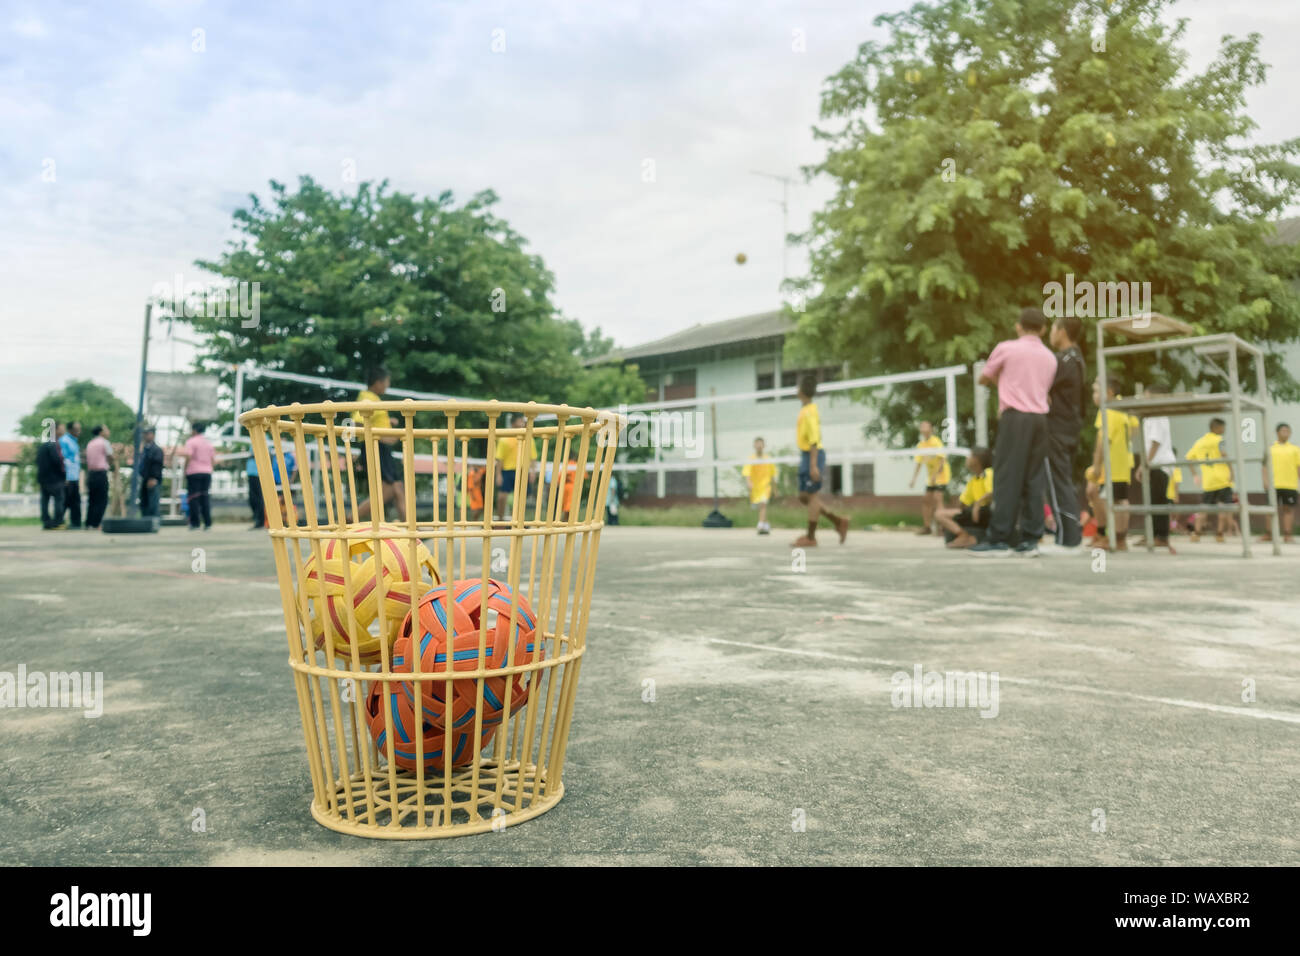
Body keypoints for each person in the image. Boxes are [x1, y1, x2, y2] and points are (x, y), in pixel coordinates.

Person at [969, 307, 1057, 556]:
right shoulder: (1050, 357)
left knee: (1007, 477)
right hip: (1040, 420)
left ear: (1018, 326)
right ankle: (1030, 540)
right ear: (1043, 329)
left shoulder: (1007, 348)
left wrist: (1005, 383)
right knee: (1033, 479)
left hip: (1015, 417)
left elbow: (984, 378)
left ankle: (999, 538)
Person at [1043, 316, 1086, 550]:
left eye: (1052, 328)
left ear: (1062, 331)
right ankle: (1070, 536)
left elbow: (1041, 388)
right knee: (1064, 479)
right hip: (1069, 426)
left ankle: (1067, 538)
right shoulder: (1077, 358)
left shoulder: (1063, 360)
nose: (1050, 333)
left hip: (1057, 427)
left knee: (1057, 480)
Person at [792, 375, 849, 548]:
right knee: (804, 497)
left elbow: (815, 440)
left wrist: (813, 465)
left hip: (812, 455)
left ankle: (811, 537)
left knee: (812, 496)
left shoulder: (810, 412)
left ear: (801, 391)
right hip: (806, 454)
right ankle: (838, 521)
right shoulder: (805, 408)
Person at [1085, 379, 1135, 551]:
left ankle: (1117, 538)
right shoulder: (1123, 407)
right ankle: (1110, 536)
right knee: (1111, 497)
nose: (1094, 396)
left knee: (1115, 500)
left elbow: (1104, 440)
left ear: (1110, 392)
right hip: (1120, 462)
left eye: (1097, 391)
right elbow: (1134, 428)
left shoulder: (1110, 409)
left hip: (1113, 464)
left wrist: (1097, 464)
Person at [355, 366, 405, 521]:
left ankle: (412, 527)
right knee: (389, 488)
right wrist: (383, 437)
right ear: (378, 383)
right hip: (376, 447)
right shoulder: (367, 399)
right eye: (386, 382)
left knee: (397, 487)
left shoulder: (372, 399)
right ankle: (351, 518)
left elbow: (371, 421)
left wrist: (388, 422)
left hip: (380, 447)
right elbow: (357, 423)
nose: (387, 386)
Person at [1138, 382, 1176, 553]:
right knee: (1152, 500)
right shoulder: (1150, 416)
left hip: (1160, 463)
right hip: (1154, 462)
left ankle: (1161, 536)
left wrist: (1144, 464)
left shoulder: (1158, 415)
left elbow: (1156, 442)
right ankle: (1152, 533)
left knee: (1158, 500)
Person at [936, 447, 994, 549]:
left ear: (978, 460)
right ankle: (963, 534)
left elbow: (992, 492)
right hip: (975, 512)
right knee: (941, 514)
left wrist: (977, 504)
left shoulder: (988, 473)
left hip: (986, 511)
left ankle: (965, 536)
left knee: (940, 514)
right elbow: (964, 502)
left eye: (970, 456)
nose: (967, 458)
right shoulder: (974, 479)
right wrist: (950, 521)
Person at [1186, 418, 1233, 543]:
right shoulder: (1220, 440)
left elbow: (1189, 459)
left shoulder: (1199, 442)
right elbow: (1224, 454)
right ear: (1216, 428)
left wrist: (1195, 475)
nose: (1224, 430)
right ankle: (1219, 534)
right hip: (1223, 479)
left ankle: (1196, 533)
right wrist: (1232, 472)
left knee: (1204, 508)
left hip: (1208, 481)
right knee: (1222, 507)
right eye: (1223, 427)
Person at [908, 420, 950, 535]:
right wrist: (913, 480)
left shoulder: (936, 442)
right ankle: (927, 527)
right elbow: (919, 464)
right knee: (926, 500)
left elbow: (942, 459)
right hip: (931, 477)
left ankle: (942, 527)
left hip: (941, 476)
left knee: (938, 499)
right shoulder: (920, 445)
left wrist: (936, 475)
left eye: (926, 425)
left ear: (931, 429)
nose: (923, 428)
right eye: (921, 426)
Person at [494, 413, 539, 519]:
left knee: (522, 497)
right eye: (520, 421)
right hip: (508, 471)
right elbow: (499, 459)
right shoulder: (504, 439)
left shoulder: (529, 438)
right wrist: (498, 475)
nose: (523, 424)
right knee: (502, 496)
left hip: (523, 470)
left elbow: (533, 457)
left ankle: (517, 519)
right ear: (513, 423)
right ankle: (500, 519)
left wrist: (532, 471)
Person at [1263, 423, 1299, 543]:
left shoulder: (1295, 449)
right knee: (1270, 510)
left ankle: (1287, 534)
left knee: (1288, 510)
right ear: (1277, 432)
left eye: (1288, 431)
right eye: (1283, 431)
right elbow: (1264, 466)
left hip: (1290, 485)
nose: (1286, 433)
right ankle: (1269, 534)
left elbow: (1298, 467)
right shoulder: (1270, 448)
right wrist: (1265, 481)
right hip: (1273, 485)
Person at [246, 440, 295, 529]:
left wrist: (290, 482)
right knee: (271, 501)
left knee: (284, 502)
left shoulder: (288, 456)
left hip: (280, 481)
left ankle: (286, 521)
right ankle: (271, 521)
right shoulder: (276, 456)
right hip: (274, 480)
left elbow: (293, 470)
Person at [177, 422, 215, 530]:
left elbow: (188, 456)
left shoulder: (191, 442)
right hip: (207, 472)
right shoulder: (209, 443)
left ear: (194, 430)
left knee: (193, 498)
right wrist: (210, 470)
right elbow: (213, 459)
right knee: (204, 497)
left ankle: (195, 523)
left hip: (194, 472)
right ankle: (208, 523)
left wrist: (185, 470)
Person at [742, 436, 776, 535]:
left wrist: (775, 488)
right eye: (757, 444)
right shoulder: (751, 459)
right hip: (755, 488)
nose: (759, 446)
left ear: (764, 445)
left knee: (763, 504)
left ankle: (760, 524)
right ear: (754, 445)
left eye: (761, 444)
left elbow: (773, 475)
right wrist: (749, 483)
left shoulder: (768, 459)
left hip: (766, 487)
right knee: (761, 507)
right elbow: (747, 473)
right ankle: (766, 525)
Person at [37, 423, 67, 529]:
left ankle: (46, 522)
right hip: (55, 479)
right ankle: (58, 522)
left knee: (44, 500)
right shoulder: (54, 445)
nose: (64, 431)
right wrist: (64, 475)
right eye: (63, 429)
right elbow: (57, 461)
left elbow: (38, 463)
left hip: (43, 479)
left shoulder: (43, 446)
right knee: (59, 499)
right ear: (56, 430)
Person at [84, 424, 114, 529]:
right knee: (102, 499)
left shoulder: (90, 443)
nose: (108, 431)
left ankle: (89, 523)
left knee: (92, 499)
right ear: (101, 432)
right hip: (101, 474)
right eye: (106, 429)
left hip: (91, 474)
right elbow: (110, 456)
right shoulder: (104, 442)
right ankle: (96, 523)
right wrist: (112, 465)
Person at [58, 421, 83, 529]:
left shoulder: (74, 442)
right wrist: (65, 476)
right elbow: (63, 459)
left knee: (74, 500)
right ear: (70, 430)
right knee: (66, 501)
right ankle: (59, 522)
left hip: (75, 476)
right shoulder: (64, 441)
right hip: (68, 477)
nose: (79, 431)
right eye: (76, 429)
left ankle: (75, 523)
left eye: (79, 429)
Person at [138, 426, 165, 518]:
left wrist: (153, 478)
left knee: (152, 503)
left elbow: (157, 465)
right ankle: (145, 522)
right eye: (144, 434)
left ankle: (153, 523)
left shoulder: (156, 450)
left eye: (147, 434)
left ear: (153, 435)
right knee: (144, 502)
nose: (145, 436)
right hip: (144, 479)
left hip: (152, 479)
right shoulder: (145, 449)